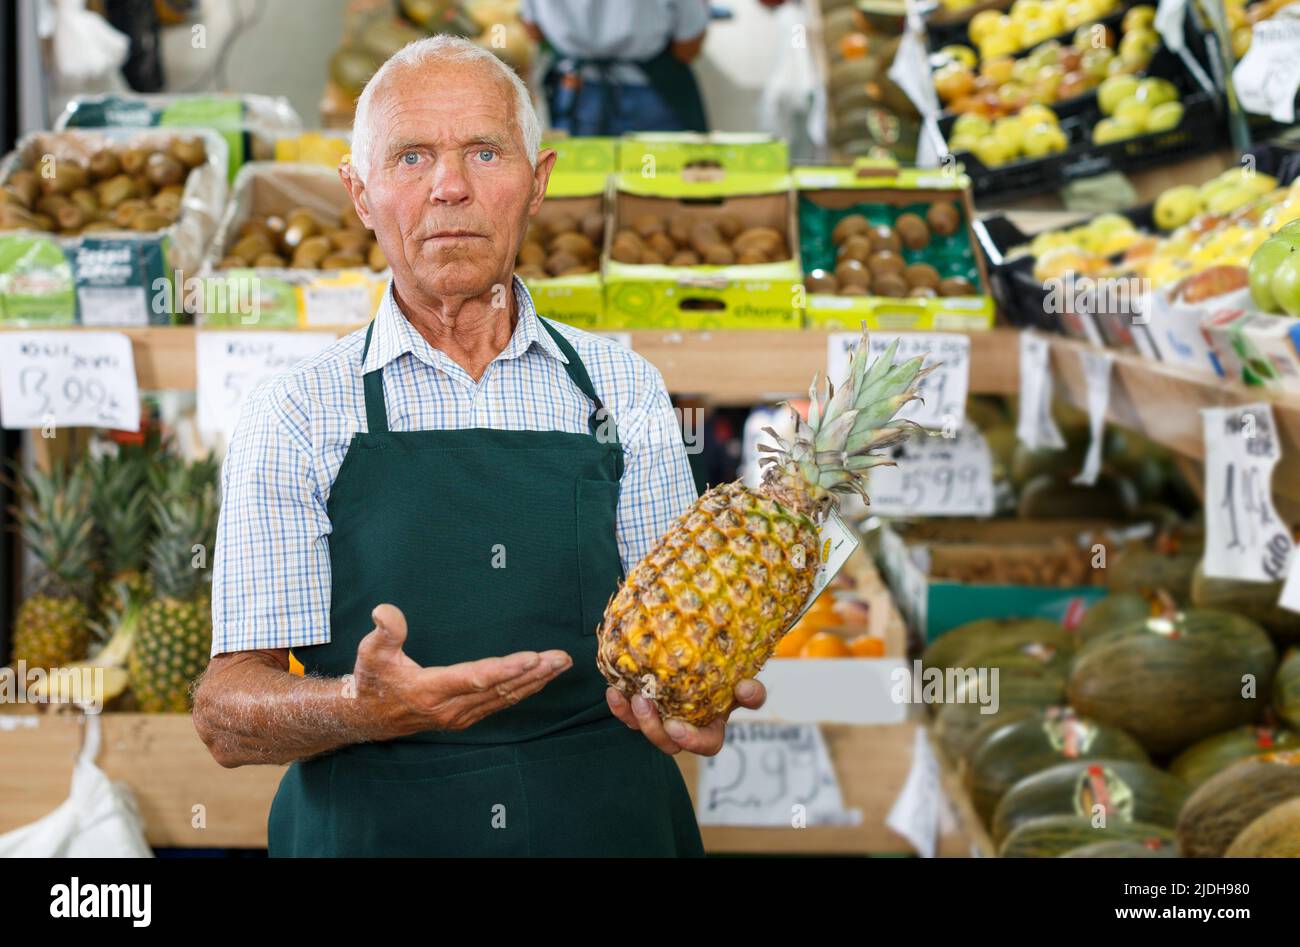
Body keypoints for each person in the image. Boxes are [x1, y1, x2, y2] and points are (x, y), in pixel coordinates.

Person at [191, 35, 767, 857]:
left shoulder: (621, 389)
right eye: (412, 156)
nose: (450, 187)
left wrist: (687, 704)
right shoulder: (296, 410)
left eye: (485, 152)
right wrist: (363, 706)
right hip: (372, 832)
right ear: (360, 193)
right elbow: (225, 714)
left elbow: (675, 655)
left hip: (604, 826)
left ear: (539, 183)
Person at [520, 0, 710, 135]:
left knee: (583, 181)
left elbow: (533, 29)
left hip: (577, 91)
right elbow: (688, 47)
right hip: (650, 93)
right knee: (662, 180)